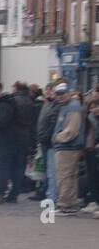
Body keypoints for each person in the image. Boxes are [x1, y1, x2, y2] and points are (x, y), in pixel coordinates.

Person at [51, 85, 85, 214]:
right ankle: (70, 203)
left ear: (68, 93)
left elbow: (72, 130)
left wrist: (57, 138)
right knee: (69, 176)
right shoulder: (68, 106)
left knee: (64, 176)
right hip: (68, 147)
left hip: (67, 147)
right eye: (58, 94)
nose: (60, 96)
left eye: (63, 93)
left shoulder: (72, 107)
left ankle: (65, 204)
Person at [9, 81, 38, 200]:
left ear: (16, 89)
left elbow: (10, 119)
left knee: (11, 165)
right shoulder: (30, 101)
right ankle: (16, 190)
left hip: (13, 136)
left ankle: (12, 191)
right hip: (25, 137)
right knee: (20, 165)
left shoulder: (13, 101)